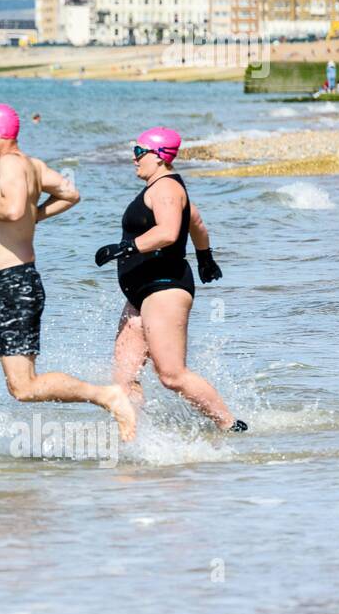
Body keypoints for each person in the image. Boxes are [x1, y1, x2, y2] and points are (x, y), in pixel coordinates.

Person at [0, 104, 136, 463]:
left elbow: (11, 210)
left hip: (15, 285)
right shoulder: (33, 166)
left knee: (23, 387)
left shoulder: (9, 165)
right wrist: (36, 215)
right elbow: (70, 193)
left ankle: (109, 396)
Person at [94, 127, 247, 431]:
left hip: (163, 288)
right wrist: (205, 257)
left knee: (171, 374)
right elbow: (197, 224)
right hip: (142, 292)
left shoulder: (164, 189)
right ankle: (140, 440)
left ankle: (231, 426)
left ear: (160, 157)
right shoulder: (168, 188)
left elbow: (167, 233)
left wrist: (125, 248)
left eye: (139, 152)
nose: (134, 159)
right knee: (124, 376)